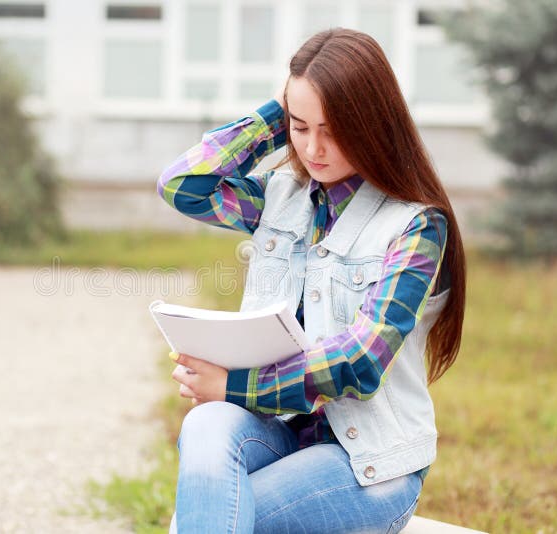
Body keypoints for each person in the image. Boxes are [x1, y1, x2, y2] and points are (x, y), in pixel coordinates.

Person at [156, 28, 466, 534]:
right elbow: (184, 185)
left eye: (335, 128)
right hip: (279, 434)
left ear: (371, 123)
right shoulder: (281, 195)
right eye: (301, 128)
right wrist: (282, 112)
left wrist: (232, 385)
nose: (314, 148)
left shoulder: (415, 227)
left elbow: (360, 361)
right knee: (206, 423)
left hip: (365, 464)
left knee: (213, 516)